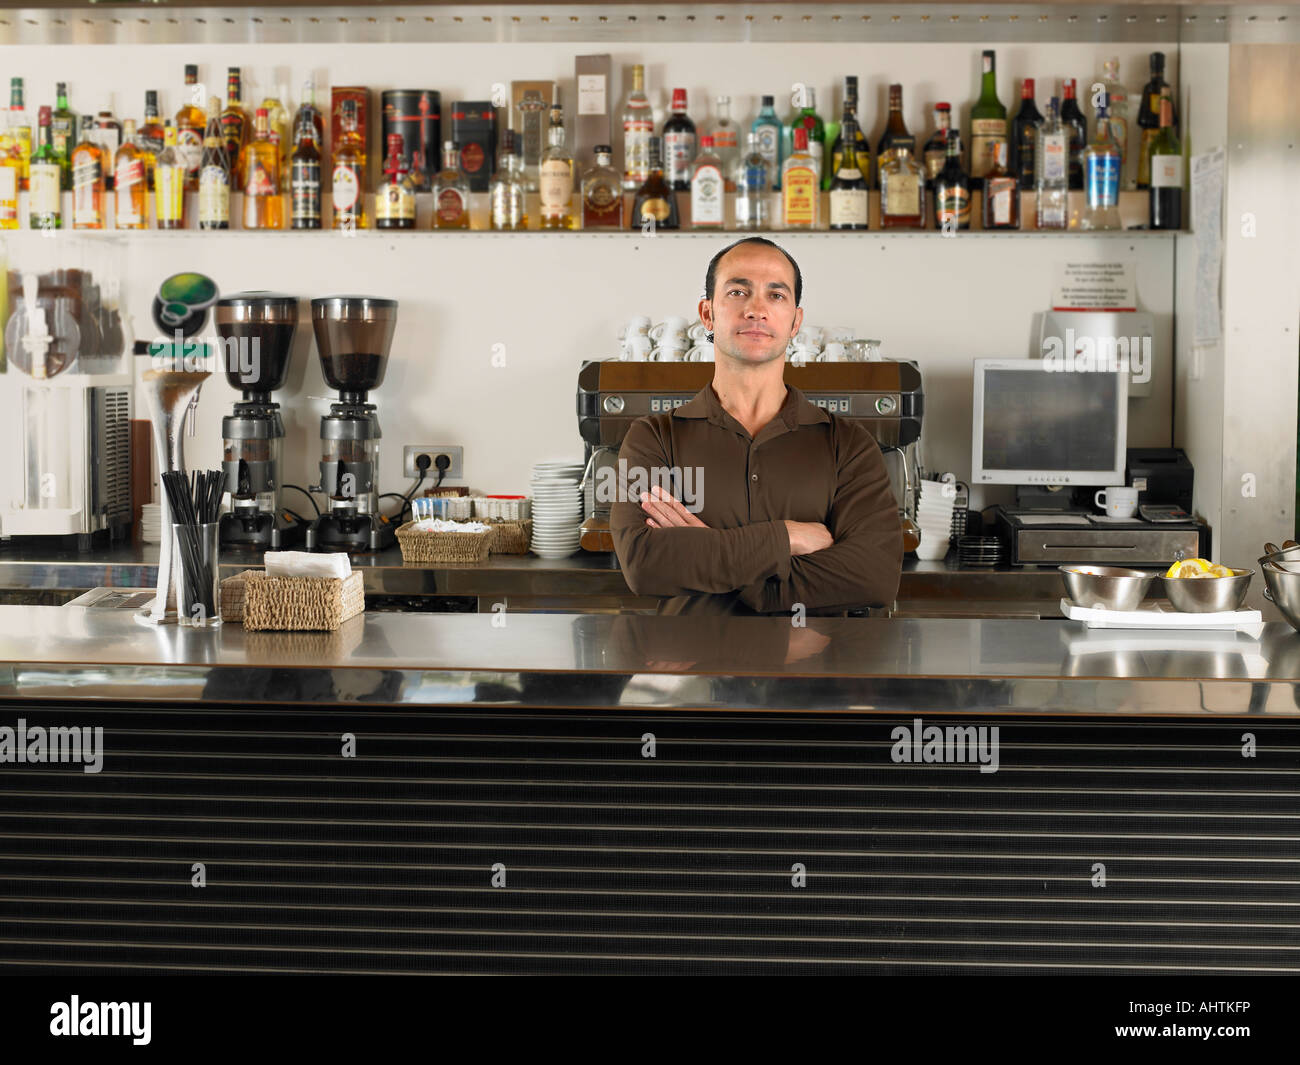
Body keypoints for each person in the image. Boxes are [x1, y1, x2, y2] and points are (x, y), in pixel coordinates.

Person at [609, 236, 903, 616]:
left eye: (776, 295)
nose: (756, 309)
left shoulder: (847, 444)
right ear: (707, 314)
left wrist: (717, 564)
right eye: (737, 291)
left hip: (815, 673)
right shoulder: (652, 438)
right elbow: (644, 565)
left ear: (795, 321)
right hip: (694, 672)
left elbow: (873, 577)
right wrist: (787, 537)